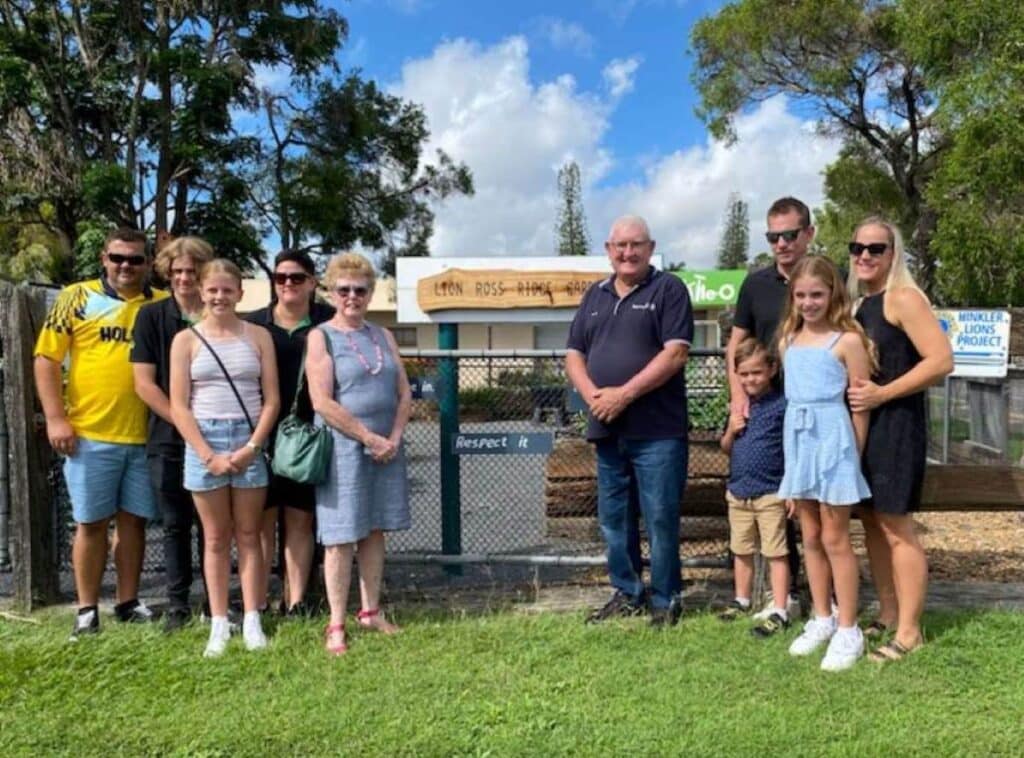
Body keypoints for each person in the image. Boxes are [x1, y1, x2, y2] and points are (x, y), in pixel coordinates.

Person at [34, 228, 168, 640]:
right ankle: (87, 609)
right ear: (103, 259)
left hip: (144, 435)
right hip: (91, 434)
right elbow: (46, 358)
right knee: (90, 524)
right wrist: (56, 418)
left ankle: (128, 602)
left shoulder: (161, 304)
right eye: (117, 258)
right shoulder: (76, 297)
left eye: (135, 259)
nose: (125, 266)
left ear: (148, 264)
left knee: (135, 523)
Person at [566, 215, 694, 627]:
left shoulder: (668, 289)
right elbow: (574, 355)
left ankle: (665, 598)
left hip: (658, 432)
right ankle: (627, 592)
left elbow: (675, 354)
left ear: (650, 248)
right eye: (620, 245)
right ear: (608, 249)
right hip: (608, 430)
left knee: (660, 515)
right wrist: (593, 398)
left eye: (636, 245)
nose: (627, 253)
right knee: (614, 519)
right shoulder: (594, 296)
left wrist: (624, 394)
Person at [848, 217, 953, 662]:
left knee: (896, 526)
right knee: (871, 521)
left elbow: (942, 359)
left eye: (877, 248)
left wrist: (883, 393)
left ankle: (910, 631)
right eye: (858, 248)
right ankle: (889, 613)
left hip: (897, 427)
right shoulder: (857, 307)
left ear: (894, 254)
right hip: (865, 428)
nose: (866, 256)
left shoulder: (903, 299)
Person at [169, 259, 280, 657]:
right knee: (215, 539)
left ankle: (252, 618)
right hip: (205, 440)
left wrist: (252, 447)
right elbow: (179, 405)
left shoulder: (258, 336)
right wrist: (206, 454)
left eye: (227, 289)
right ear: (201, 291)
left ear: (239, 292)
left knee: (250, 536)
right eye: (212, 289)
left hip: (248, 440)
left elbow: (272, 399)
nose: (219, 296)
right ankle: (218, 621)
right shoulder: (186, 341)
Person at [306, 252, 411, 656]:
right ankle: (336, 622)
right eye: (343, 289)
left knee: (374, 529)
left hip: (386, 448)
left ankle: (370, 611)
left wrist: (394, 437)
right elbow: (322, 401)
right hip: (345, 449)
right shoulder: (322, 336)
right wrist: (368, 437)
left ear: (370, 293)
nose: (352, 296)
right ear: (331, 291)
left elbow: (403, 391)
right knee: (340, 537)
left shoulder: (382, 335)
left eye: (360, 289)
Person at [776, 256, 873, 671]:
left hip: (834, 442)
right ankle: (822, 617)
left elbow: (860, 404)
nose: (809, 302)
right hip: (799, 442)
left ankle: (850, 629)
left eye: (816, 294)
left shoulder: (848, 341)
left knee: (836, 538)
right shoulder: (788, 340)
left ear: (833, 293)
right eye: (801, 295)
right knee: (810, 535)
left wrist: (853, 454)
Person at [726, 196, 816, 618]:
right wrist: (738, 397)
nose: (782, 244)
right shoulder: (755, 284)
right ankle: (786, 596)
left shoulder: (825, 279)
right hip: (765, 412)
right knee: (775, 506)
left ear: (808, 235)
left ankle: (825, 599)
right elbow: (735, 346)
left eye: (790, 235)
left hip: (812, 408)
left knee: (812, 507)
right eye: (773, 236)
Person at [131, 236, 214, 632]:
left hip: (217, 437)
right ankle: (179, 604)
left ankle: (216, 604)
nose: (184, 278)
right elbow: (144, 384)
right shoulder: (151, 317)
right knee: (176, 523)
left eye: (192, 271)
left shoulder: (221, 317)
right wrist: (183, 423)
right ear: (167, 272)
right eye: (177, 271)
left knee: (213, 526)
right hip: (167, 438)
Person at [245, 250, 334, 617]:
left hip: (306, 439)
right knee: (261, 523)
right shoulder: (252, 325)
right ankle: (261, 600)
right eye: (280, 278)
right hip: (259, 435)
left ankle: (296, 601)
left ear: (312, 282)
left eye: (296, 278)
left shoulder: (329, 323)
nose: (287, 284)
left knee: (300, 519)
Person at [718, 338, 790, 637]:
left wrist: (790, 489)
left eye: (756, 373)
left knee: (776, 551)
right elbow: (724, 448)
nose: (750, 379)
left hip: (771, 491)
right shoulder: (739, 408)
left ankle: (780, 607)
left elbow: (791, 448)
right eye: (744, 374)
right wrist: (732, 431)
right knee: (741, 549)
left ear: (772, 369)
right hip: (738, 491)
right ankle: (742, 598)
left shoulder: (782, 405)